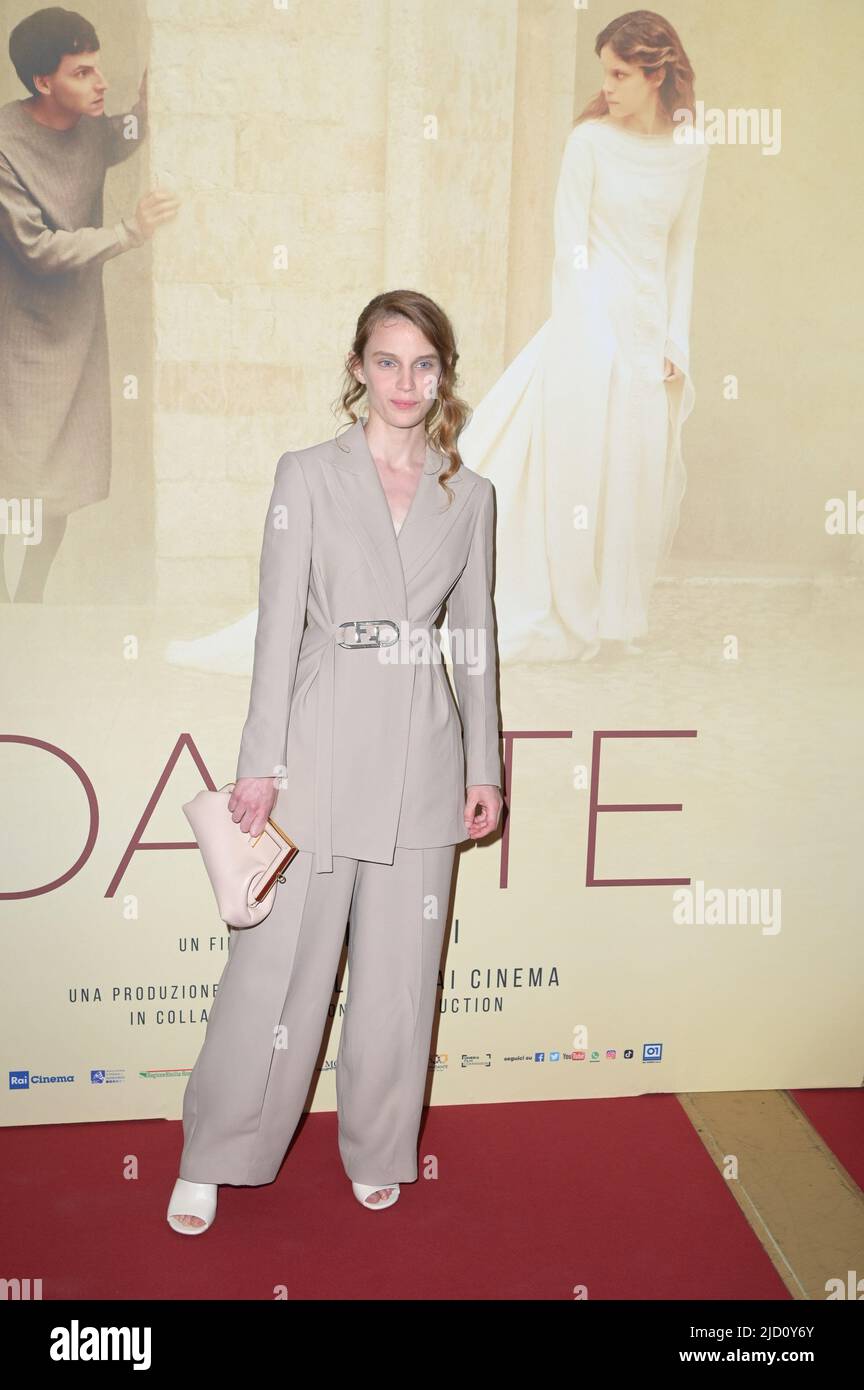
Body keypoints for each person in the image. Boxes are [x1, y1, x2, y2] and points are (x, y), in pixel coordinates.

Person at [167, 289, 504, 1231]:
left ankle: (381, 1143)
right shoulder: (307, 475)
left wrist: (485, 767)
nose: (406, 381)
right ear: (358, 369)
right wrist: (258, 764)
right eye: (388, 361)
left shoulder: (467, 495)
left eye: (424, 364)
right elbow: (278, 628)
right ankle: (214, 1151)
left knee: (401, 976)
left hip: (423, 752)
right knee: (271, 971)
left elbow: (474, 637)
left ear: (444, 375)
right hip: (315, 743)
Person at [458, 8, 711, 662]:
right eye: (606, 73)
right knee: (579, 474)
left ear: (658, 73)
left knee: (634, 476)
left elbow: (682, 253)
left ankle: (618, 620)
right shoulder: (590, 142)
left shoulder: (691, 151)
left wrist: (673, 346)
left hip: (648, 339)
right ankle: (573, 612)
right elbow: (568, 248)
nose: (610, 87)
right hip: (587, 329)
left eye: (622, 74)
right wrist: (593, 336)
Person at [0, 7, 179, 603]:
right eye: (82, 73)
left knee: (62, 471)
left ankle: (28, 600)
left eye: (98, 68)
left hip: (75, 328)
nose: (100, 83)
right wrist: (130, 231)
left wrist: (158, 102)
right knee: (16, 476)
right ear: (43, 83)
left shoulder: (94, 127)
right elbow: (35, 248)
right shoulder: (3, 144)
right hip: (15, 334)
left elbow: (124, 136)